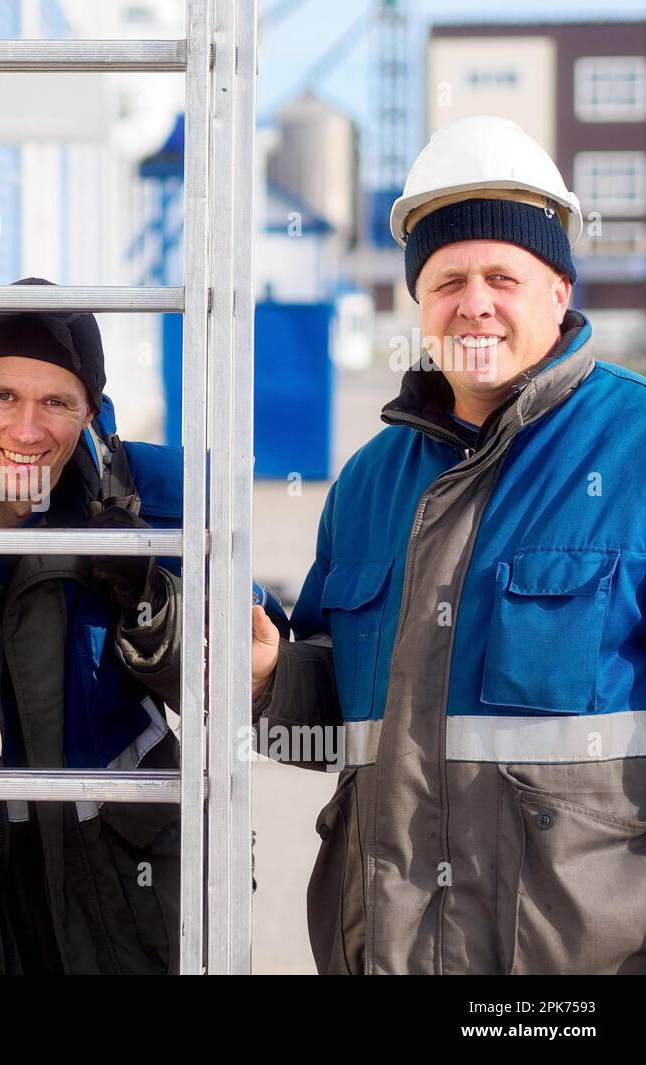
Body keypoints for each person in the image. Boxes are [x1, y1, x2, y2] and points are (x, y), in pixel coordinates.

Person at [251, 115, 646, 975]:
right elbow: (330, 731)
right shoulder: (367, 483)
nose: (475, 302)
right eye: (447, 279)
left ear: (557, 287)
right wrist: (271, 675)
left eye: (503, 274)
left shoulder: (636, 450)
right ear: (417, 302)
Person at [0, 277, 286, 974]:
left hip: (126, 886)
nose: (29, 429)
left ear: (90, 410)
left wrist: (149, 595)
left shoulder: (156, 494)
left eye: (57, 402)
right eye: (5, 395)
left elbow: (249, 677)